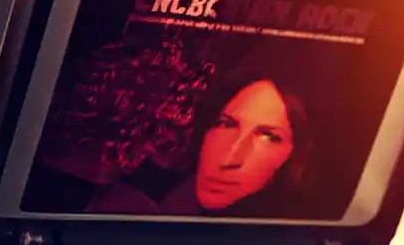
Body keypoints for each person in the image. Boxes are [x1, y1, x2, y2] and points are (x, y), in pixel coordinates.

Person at [86, 56, 320, 217]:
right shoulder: (130, 197)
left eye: (267, 136)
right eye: (225, 125)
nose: (230, 157)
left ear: (296, 156)